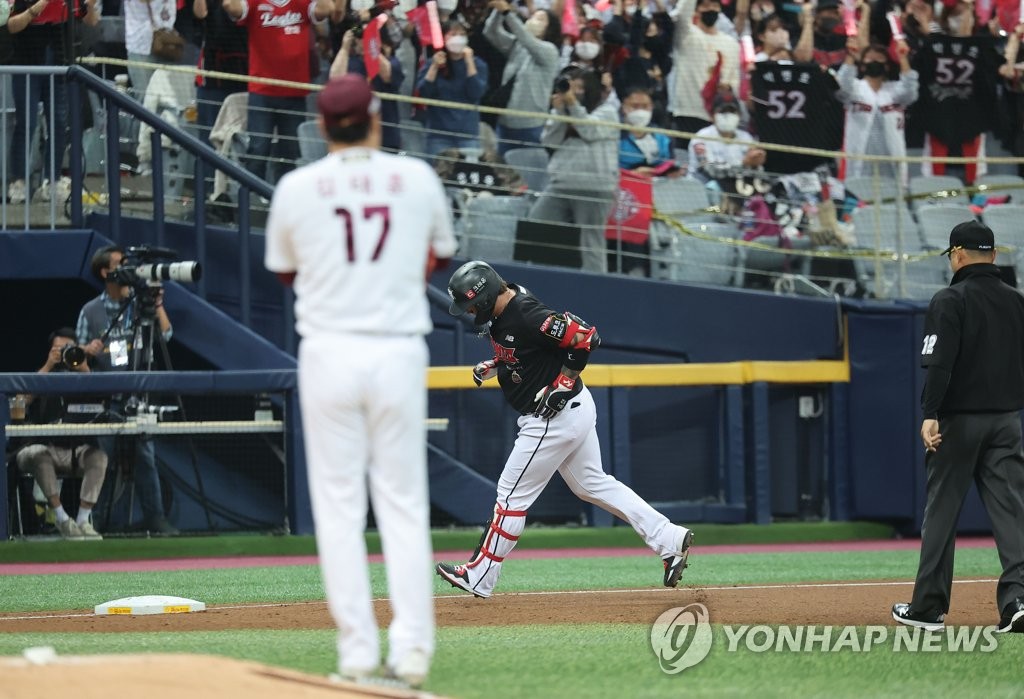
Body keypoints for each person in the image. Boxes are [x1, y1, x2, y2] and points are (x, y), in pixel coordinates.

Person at [263, 74, 457, 687]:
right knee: (403, 504)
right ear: (374, 119)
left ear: (321, 126)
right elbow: (439, 256)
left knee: (340, 510)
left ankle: (355, 652)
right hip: (397, 349)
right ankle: (413, 650)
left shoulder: (297, 186)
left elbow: (285, 272)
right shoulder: (417, 177)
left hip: (329, 350)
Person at [436, 260, 694, 599]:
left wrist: (563, 380)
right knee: (592, 484)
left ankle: (481, 574)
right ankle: (668, 538)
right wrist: (498, 363)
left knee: (510, 496)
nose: (469, 312)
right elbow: (531, 349)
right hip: (573, 411)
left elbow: (586, 337)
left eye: (471, 305)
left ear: (484, 297)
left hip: (552, 418)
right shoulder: (509, 305)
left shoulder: (524, 312)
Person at [892, 221, 1024, 635]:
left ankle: (928, 608)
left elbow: (940, 363)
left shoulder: (950, 298)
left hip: (958, 422)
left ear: (958, 254)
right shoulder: (1017, 301)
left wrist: (930, 413)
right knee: (1012, 514)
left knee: (942, 512)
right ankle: (1019, 601)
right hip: (1007, 421)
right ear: (994, 255)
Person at [76, 245, 178, 535]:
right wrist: (88, 352)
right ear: (106, 272)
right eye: (121, 264)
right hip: (108, 401)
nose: (128, 269)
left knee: (145, 457)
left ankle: (155, 518)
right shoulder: (90, 311)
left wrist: (156, 304)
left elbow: (167, 335)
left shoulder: (139, 302)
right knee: (104, 462)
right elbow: (77, 356)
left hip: (140, 394)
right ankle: (103, 524)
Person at [223, 0, 334, 182]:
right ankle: (250, 203)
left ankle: (285, 199)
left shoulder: (302, 2)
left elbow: (327, 8)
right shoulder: (255, 2)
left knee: (291, 152)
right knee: (259, 149)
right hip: (262, 91)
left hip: (295, 92)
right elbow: (230, 6)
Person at [15, 328, 108, 540]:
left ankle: (83, 521)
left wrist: (83, 367)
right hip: (42, 449)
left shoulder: (83, 379)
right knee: (39, 453)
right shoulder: (42, 376)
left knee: (99, 457)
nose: (65, 353)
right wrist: (48, 365)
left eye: (70, 349)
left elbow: (103, 398)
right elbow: (21, 402)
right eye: (60, 349)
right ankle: (62, 518)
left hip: (75, 451)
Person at [6, 0, 100, 204]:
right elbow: (11, 26)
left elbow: (91, 21)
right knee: (26, 123)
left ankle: (52, 180)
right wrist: (35, 8)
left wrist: (89, 5)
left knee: (58, 122)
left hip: (60, 61)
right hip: (26, 63)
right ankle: (19, 181)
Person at [529, 65, 620, 274]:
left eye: (579, 87)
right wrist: (560, 111)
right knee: (537, 225)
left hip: (595, 187)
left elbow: (589, 129)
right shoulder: (565, 110)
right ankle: (542, 276)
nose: (574, 92)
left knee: (590, 242)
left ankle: (597, 287)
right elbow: (549, 140)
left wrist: (571, 105)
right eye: (571, 87)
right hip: (562, 183)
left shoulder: (607, 112)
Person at [482, 0, 561, 155]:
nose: (533, 21)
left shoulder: (550, 51)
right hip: (505, 123)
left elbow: (526, 39)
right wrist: (498, 11)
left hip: (530, 126)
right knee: (505, 174)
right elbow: (490, 32)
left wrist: (507, 13)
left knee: (527, 173)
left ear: (550, 29)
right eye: (532, 17)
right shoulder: (518, 45)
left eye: (540, 19)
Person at [835, 37, 917, 184]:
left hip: (891, 157)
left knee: (892, 199)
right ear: (862, 66)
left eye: (879, 59)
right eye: (869, 59)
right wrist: (850, 55)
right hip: (860, 155)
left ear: (886, 66)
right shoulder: (855, 88)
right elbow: (842, 86)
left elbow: (910, 89)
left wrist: (903, 58)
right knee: (857, 194)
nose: (874, 62)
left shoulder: (895, 90)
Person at [668, 0, 740, 149]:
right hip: (689, 111)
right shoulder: (687, 35)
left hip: (720, 116)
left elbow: (735, 79)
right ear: (696, 10)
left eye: (715, 6)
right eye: (706, 5)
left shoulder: (731, 43)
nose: (711, 9)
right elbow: (682, 14)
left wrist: (728, 88)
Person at [330, 15, 405, 153]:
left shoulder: (392, 61)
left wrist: (372, 46)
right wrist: (345, 47)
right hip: (354, 135)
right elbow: (335, 79)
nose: (362, 40)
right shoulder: (350, 61)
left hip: (385, 135)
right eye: (361, 37)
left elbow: (387, 75)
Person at [416, 19, 489, 158]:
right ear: (444, 38)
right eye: (453, 34)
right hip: (438, 134)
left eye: (462, 34)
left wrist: (469, 62)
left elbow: (476, 93)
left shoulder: (478, 64)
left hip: (468, 134)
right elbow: (424, 93)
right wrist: (434, 67)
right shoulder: (434, 62)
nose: (458, 38)